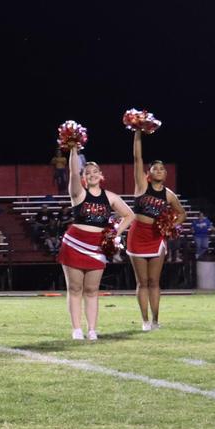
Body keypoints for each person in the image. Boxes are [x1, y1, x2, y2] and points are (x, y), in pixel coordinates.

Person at [57, 146, 136, 341]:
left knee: (92, 290)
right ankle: (76, 329)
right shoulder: (78, 194)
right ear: (84, 177)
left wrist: (113, 234)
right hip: (75, 243)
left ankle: (92, 329)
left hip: (97, 246)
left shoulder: (110, 197)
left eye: (95, 172)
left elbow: (129, 215)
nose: (91, 175)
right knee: (75, 289)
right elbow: (73, 171)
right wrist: (74, 149)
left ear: (101, 175)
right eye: (87, 172)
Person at [124, 129, 185, 331]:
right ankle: (145, 321)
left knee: (154, 281)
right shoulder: (141, 185)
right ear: (149, 173)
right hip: (137, 235)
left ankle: (156, 320)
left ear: (166, 174)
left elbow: (181, 214)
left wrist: (170, 225)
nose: (159, 171)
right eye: (155, 169)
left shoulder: (169, 195)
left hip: (156, 238)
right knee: (142, 282)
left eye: (162, 169)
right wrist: (138, 132)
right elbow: (137, 157)